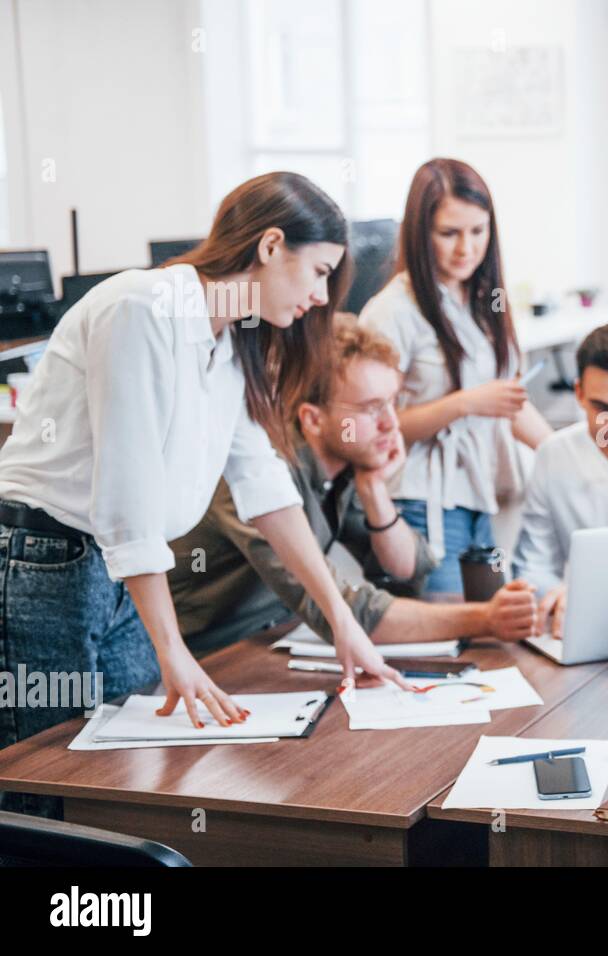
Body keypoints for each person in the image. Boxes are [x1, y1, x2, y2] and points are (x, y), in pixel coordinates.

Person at [0, 172, 411, 816]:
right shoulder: (142, 308)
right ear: (271, 245)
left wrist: (341, 618)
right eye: (320, 271)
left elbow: (266, 487)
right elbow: (127, 497)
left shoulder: (235, 338)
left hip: (117, 574)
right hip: (43, 561)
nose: (323, 295)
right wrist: (174, 650)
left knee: (129, 779)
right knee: (50, 788)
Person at [168, 320, 539, 652]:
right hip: (208, 656)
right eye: (371, 408)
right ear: (312, 420)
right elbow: (343, 609)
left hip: (270, 641)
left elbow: (408, 574)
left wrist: (375, 490)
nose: (391, 424)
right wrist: (486, 619)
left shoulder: (342, 471)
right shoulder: (258, 479)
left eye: (393, 403)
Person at [359, 158, 551, 596]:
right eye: (449, 233)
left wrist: (569, 453)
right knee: (445, 635)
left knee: (489, 632)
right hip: (421, 502)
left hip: (483, 497)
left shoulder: (486, 301)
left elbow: (510, 402)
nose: (466, 248)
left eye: (478, 231)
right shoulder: (392, 310)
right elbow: (371, 429)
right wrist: (465, 403)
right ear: (419, 233)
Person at [513, 320, 608, 637]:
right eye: (602, 408)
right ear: (579, 394)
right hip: (584, 634)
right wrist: (555, 594)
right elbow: (533, 566)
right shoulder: (553, 456)